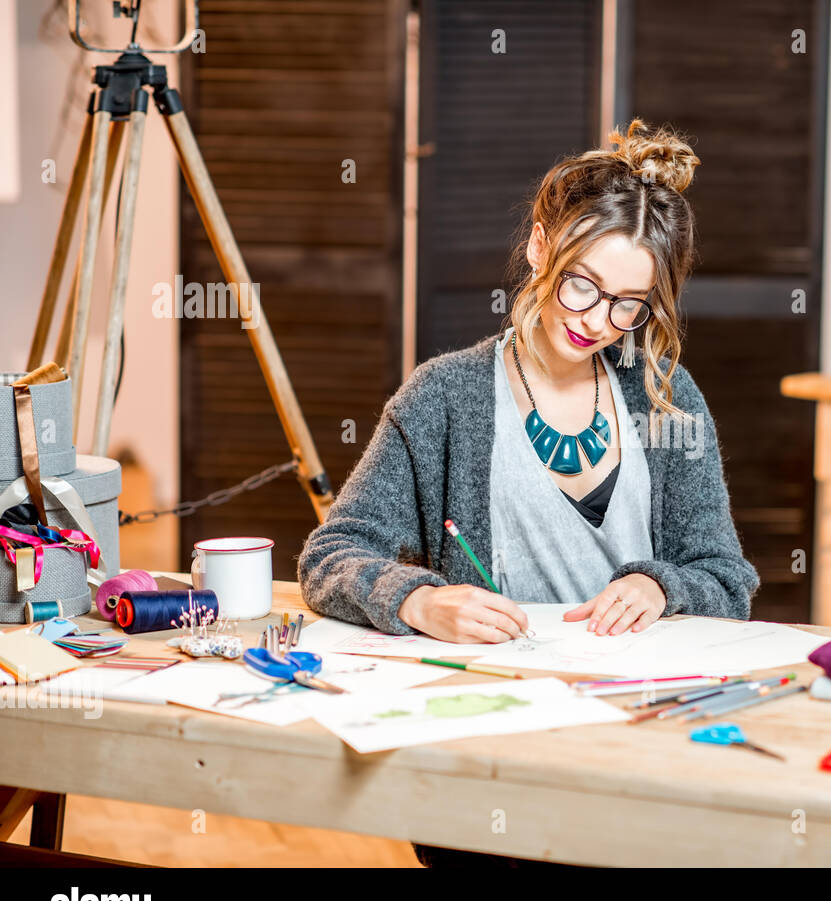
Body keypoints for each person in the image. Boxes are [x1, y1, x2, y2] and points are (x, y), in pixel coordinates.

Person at [297, 119, 759, 645]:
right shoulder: (445, 397)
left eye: (629, 303)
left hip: (634, 696)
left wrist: (660, 587)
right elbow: (331, 556)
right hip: (498, 690)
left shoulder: (666, 398)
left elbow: (725, 579)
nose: (596, 321)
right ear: (540, 247)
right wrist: (418, 600)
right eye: (582, 285)